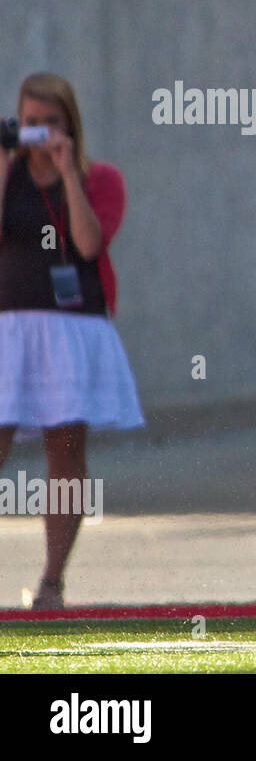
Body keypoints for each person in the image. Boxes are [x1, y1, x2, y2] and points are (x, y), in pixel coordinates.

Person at [0, 72, 144, 609]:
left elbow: (87, 244)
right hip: (8, 327)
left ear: (70, 125)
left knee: (64, 452)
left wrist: (66, 171)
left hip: (73, 328)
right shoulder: (8, 172)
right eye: (30, 123)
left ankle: (52, 582)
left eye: (50, 123)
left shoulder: (100, 178)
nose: (40, 133)